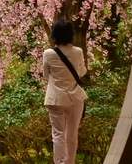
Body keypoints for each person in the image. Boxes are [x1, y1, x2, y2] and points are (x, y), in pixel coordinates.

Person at [42, 19, 87, 164]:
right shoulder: (78, 52)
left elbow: (45, 75)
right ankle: (70, 162)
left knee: (58, 134)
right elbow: (81, 72)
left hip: (55, 98)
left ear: (54, 34)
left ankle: (60, 162)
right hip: (74, 98)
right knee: (72, 133)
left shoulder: (48, 53)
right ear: (70, 34)